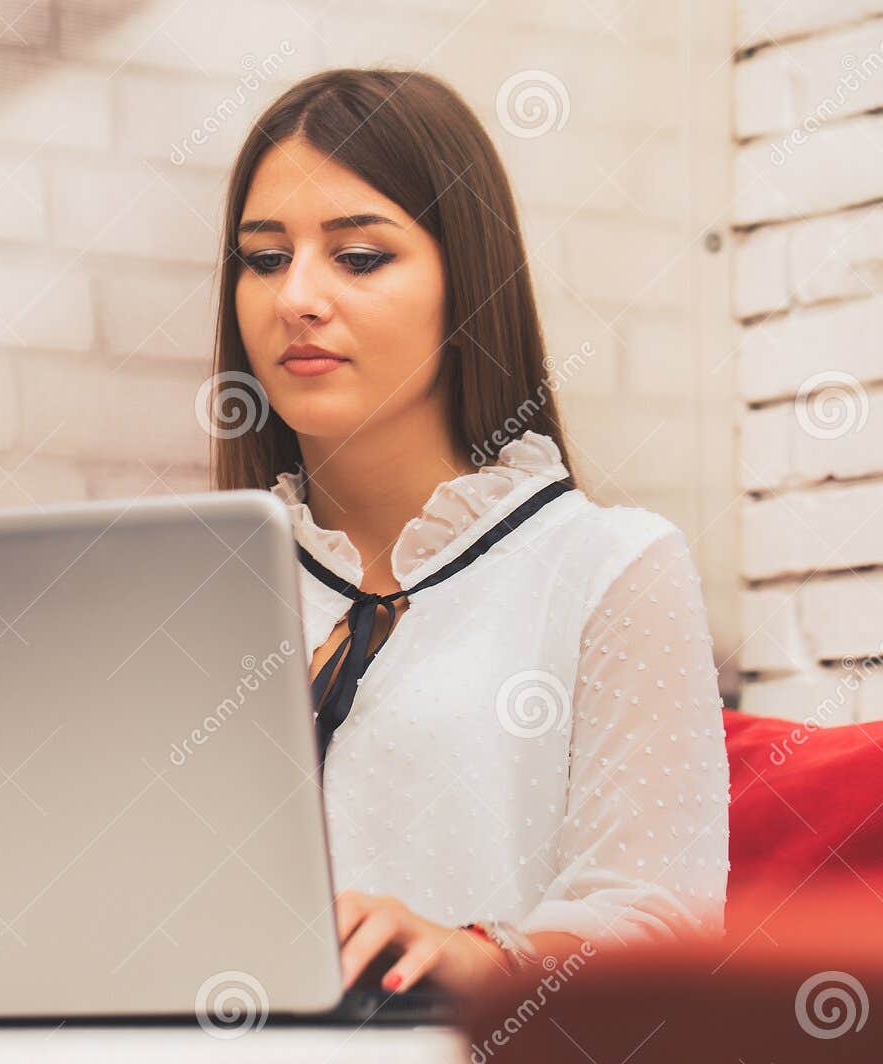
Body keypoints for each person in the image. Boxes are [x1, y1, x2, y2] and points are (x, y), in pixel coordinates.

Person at [208, 69, 730, 996]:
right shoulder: (198, 588)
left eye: (359, 257)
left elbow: (663, 929)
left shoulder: (609, 565)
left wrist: (474, 955)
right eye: (264, 257)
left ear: (469, 281)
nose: (297, 298)